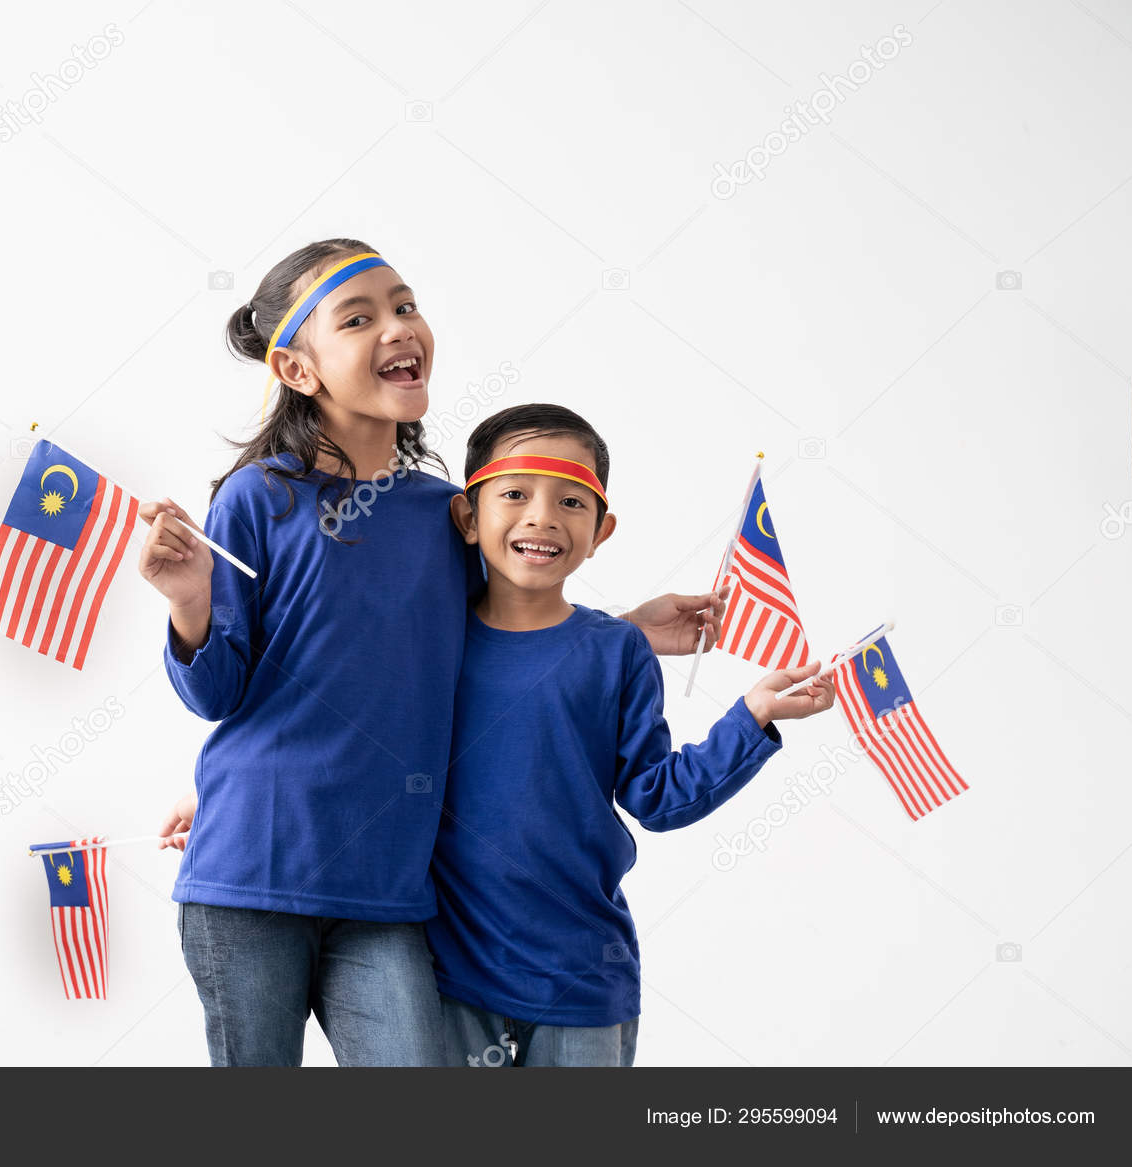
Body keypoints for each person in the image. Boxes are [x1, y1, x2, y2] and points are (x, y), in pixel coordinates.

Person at [136, 240, 727, 1066]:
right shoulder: (256, 500)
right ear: (298, 369)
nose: (398, 327)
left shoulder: (448, 516)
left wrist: (627, 629)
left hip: (388, 893)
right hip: (251, 876)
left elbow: (491, 651)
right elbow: (220, 693)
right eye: (360, 316)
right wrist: (190, 599)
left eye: (405, 305)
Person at [427, 403, 836, 1067]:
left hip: (584, 981)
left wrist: (751, 715)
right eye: (513, 493)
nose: (541, 516)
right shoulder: (428, 639)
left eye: (570, 500)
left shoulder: (618, 652)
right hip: (449, 977)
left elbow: (658, 796)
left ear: (601, 530)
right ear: (468, 517)